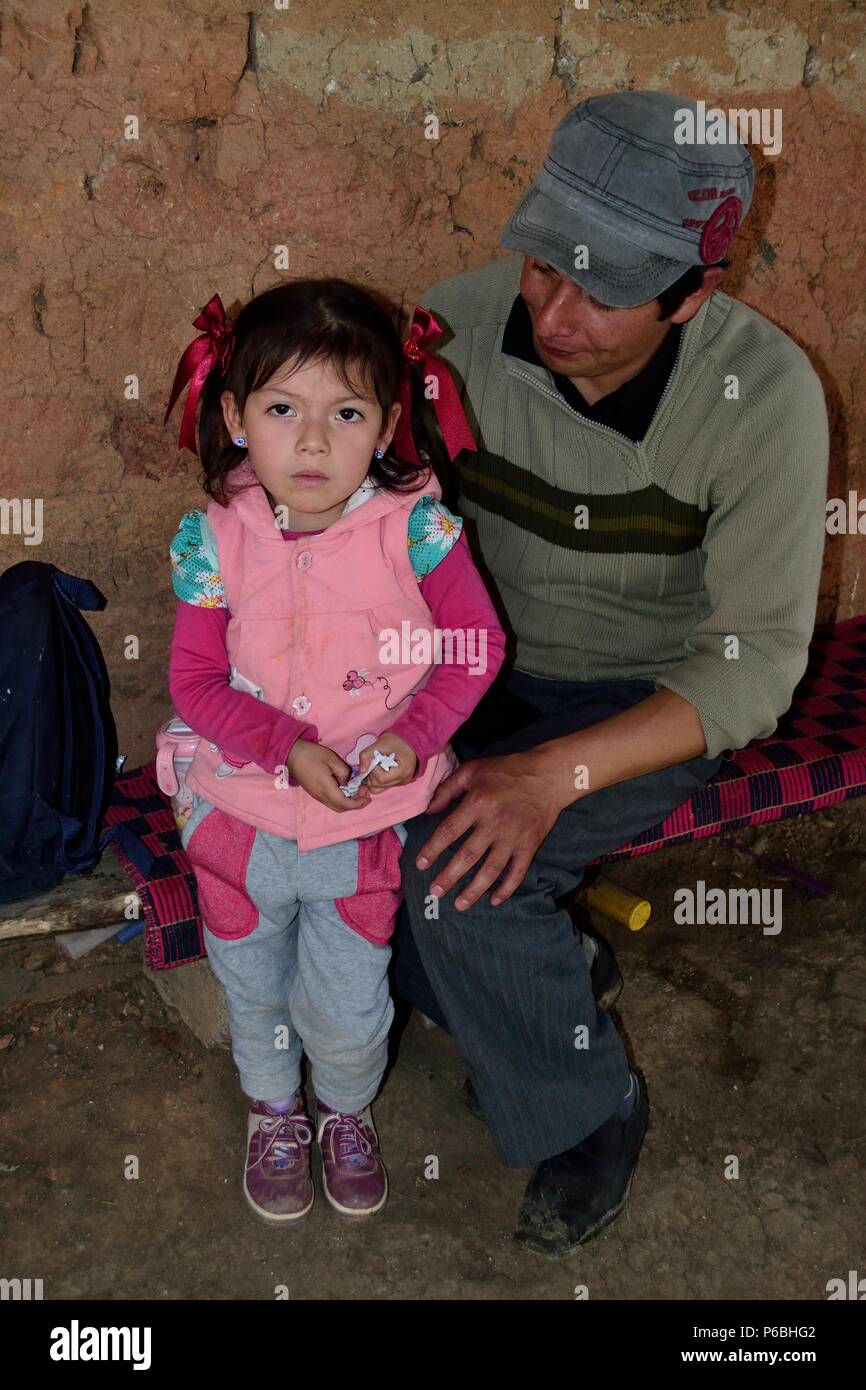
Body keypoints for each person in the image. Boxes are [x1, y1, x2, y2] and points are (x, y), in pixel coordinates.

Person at [393, 90, 830, 1256]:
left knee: (452, 879)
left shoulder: (761, 397)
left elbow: (753, 659)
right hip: (469, 669)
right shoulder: (445, 333)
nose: (555, 311)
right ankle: (548, 973)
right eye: (542, 265)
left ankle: (593, 1109)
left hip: (648, 699)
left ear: (697, 290)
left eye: (604, 290)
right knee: (356, 888)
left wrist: (549, 778)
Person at [163, 278, 505, 1226]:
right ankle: (275, 1112)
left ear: (388, 420)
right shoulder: (210, 538)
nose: (312, 442)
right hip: (241, 818)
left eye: (345, 412)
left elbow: (475, 647)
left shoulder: (421, 529)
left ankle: (345, 1111)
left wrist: (411, 737)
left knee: (351, 1002)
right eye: (282, 408)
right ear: (234, 415)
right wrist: (282, 748)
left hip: (365, 823)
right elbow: (193, 683)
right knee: (249, 981)